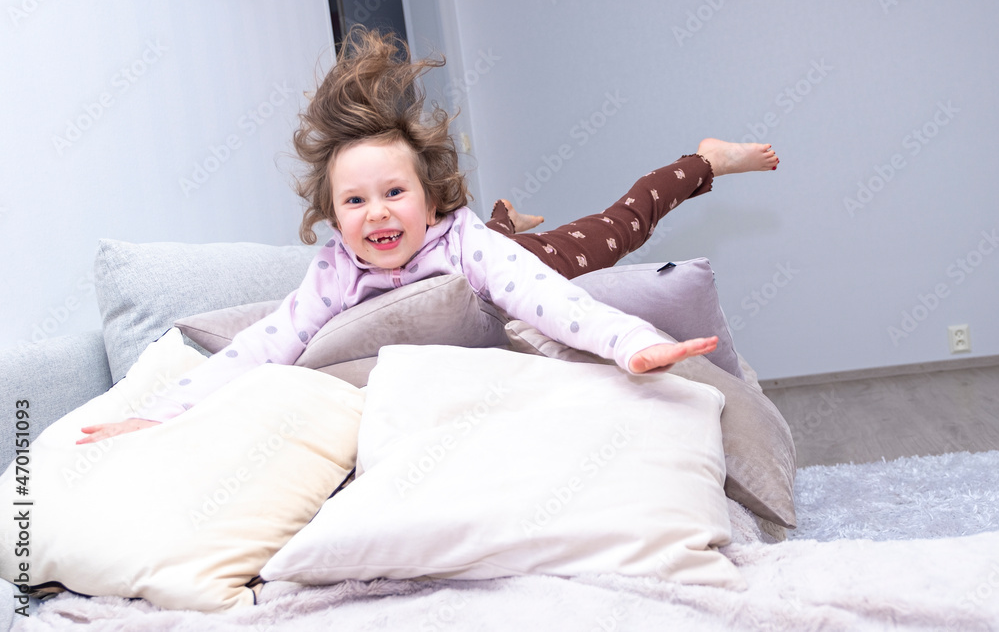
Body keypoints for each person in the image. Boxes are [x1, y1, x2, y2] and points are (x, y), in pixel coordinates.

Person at [78, 29, 777, 444]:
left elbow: (561, 308)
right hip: (473, 241)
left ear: (430, 199)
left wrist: (632, 344)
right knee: (490, 237)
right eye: (355, 201)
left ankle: (702, 160)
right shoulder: (334, 269)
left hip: (516, 261)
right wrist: (159, 416)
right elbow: (262, 345)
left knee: (617, 227)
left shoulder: (460, 240)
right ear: (331, 214)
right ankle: (507, 212)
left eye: (393, 194)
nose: (376, 214)